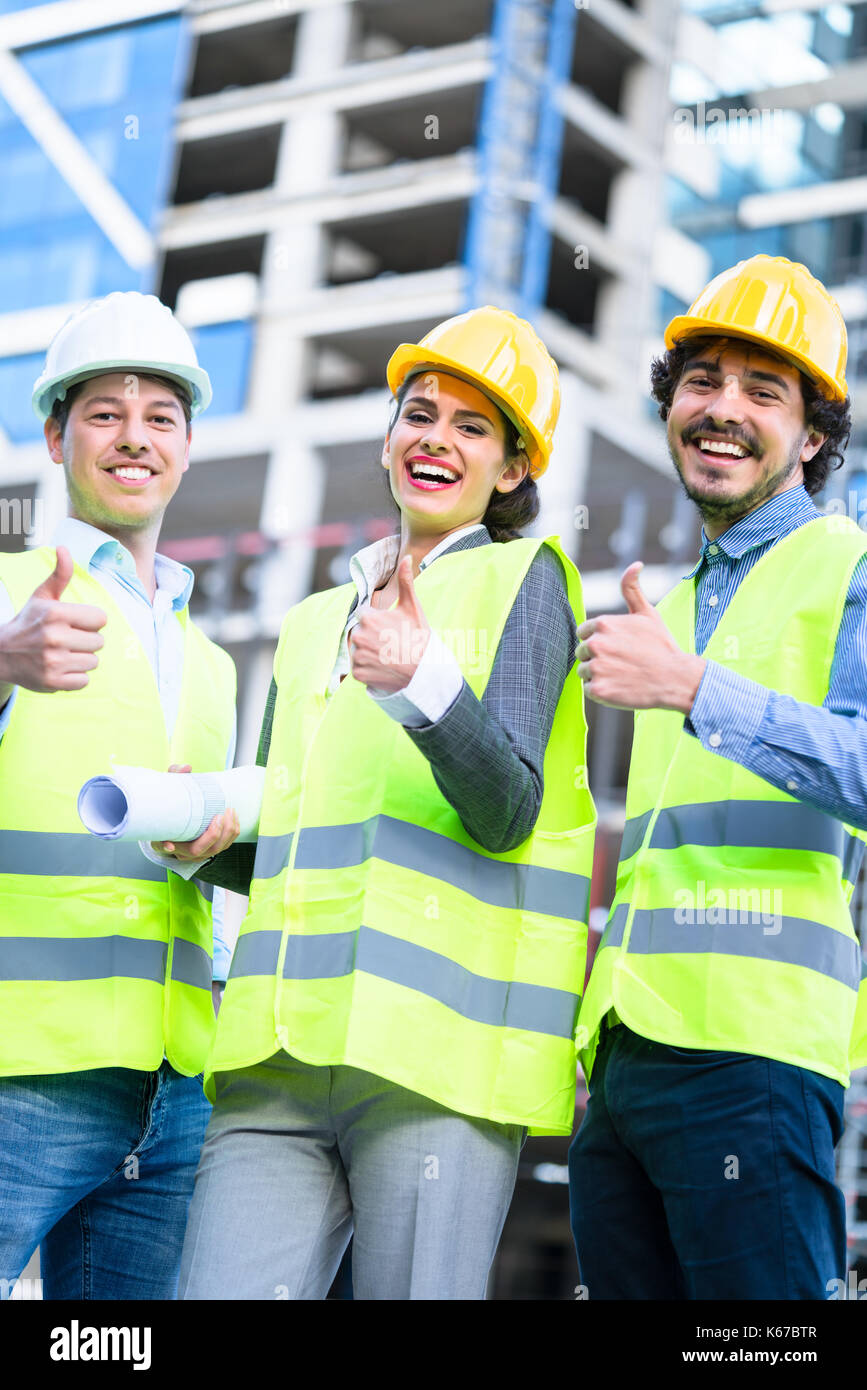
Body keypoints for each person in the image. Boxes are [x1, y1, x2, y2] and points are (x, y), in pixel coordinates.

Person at [159, 305, 597, 1300]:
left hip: (432, 1071)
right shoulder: (317, 621)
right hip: (275, 1058)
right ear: (389, 434)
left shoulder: (526, 581)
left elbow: (509, 811)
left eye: (473, 426)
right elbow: (283, 842)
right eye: (419, 413)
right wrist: (200, 839)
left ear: (514, 469)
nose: (436, 439)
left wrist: (423, 684)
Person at [569, 254, 867, 1300]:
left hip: (753, 1058)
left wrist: (697, 689)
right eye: (702, 382)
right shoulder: (677, 599)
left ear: (815, 435)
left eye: (763, 390)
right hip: (624, 1063)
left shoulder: (850, 566)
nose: (723, 409)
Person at [0, 292, 237, 1300]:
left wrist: (224, 837)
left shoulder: (211, 659)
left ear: (187, 444)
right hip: (20, 1076)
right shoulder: (11, 585)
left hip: (170, 1095)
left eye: (160, 416)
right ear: (56, 435)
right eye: (105, 413)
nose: (134, 438)